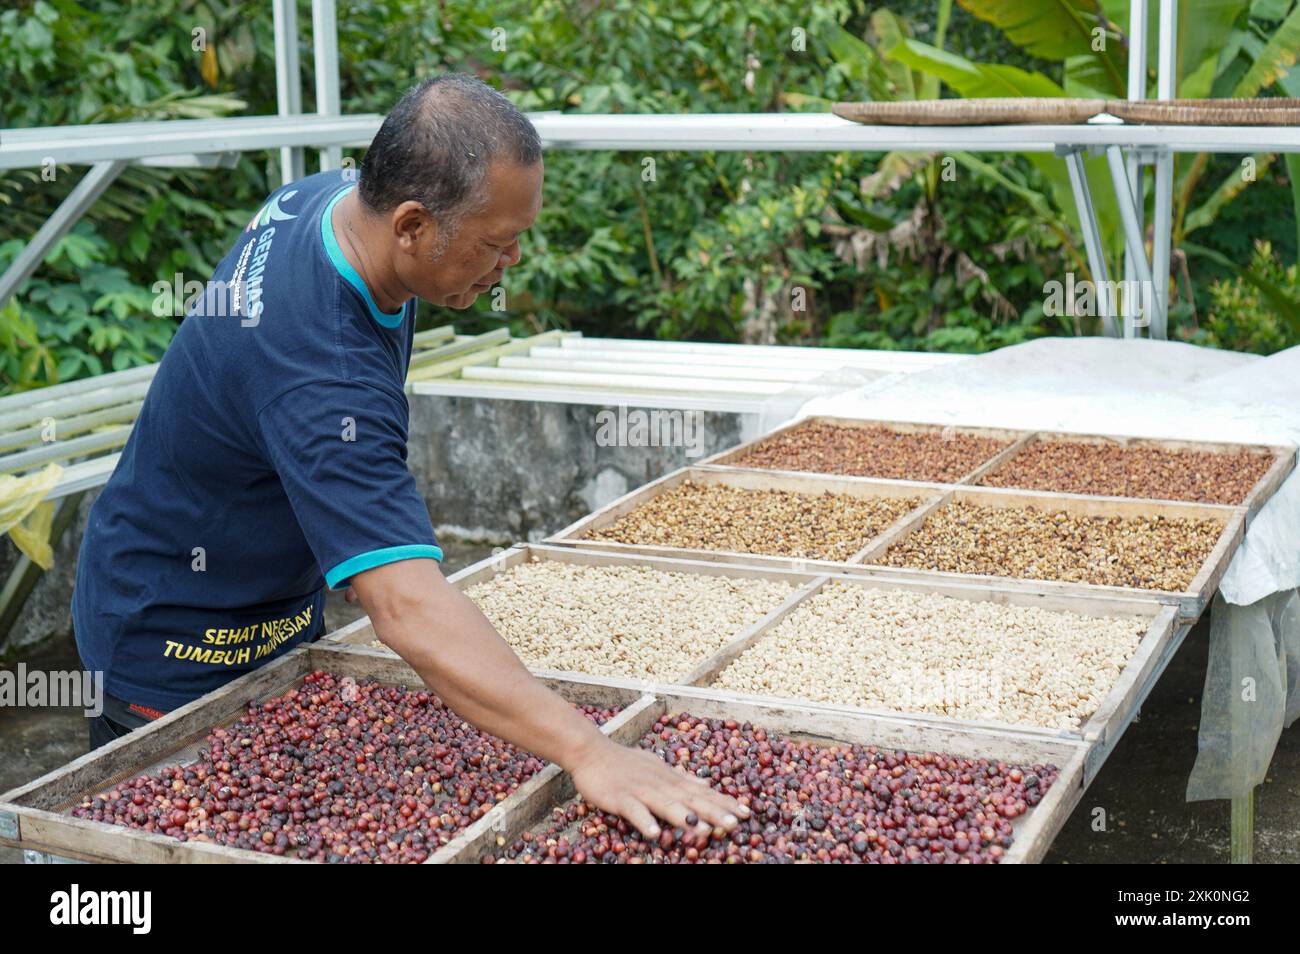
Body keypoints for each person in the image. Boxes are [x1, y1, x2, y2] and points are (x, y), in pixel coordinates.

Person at [71, 73, 745, 841]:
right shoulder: (321, 371)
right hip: (172, 639)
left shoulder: (332, 203)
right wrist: (589, 750)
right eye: (497, 243)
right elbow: (405, 605)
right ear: (412, 224)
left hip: (271, 612)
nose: (513, 261)